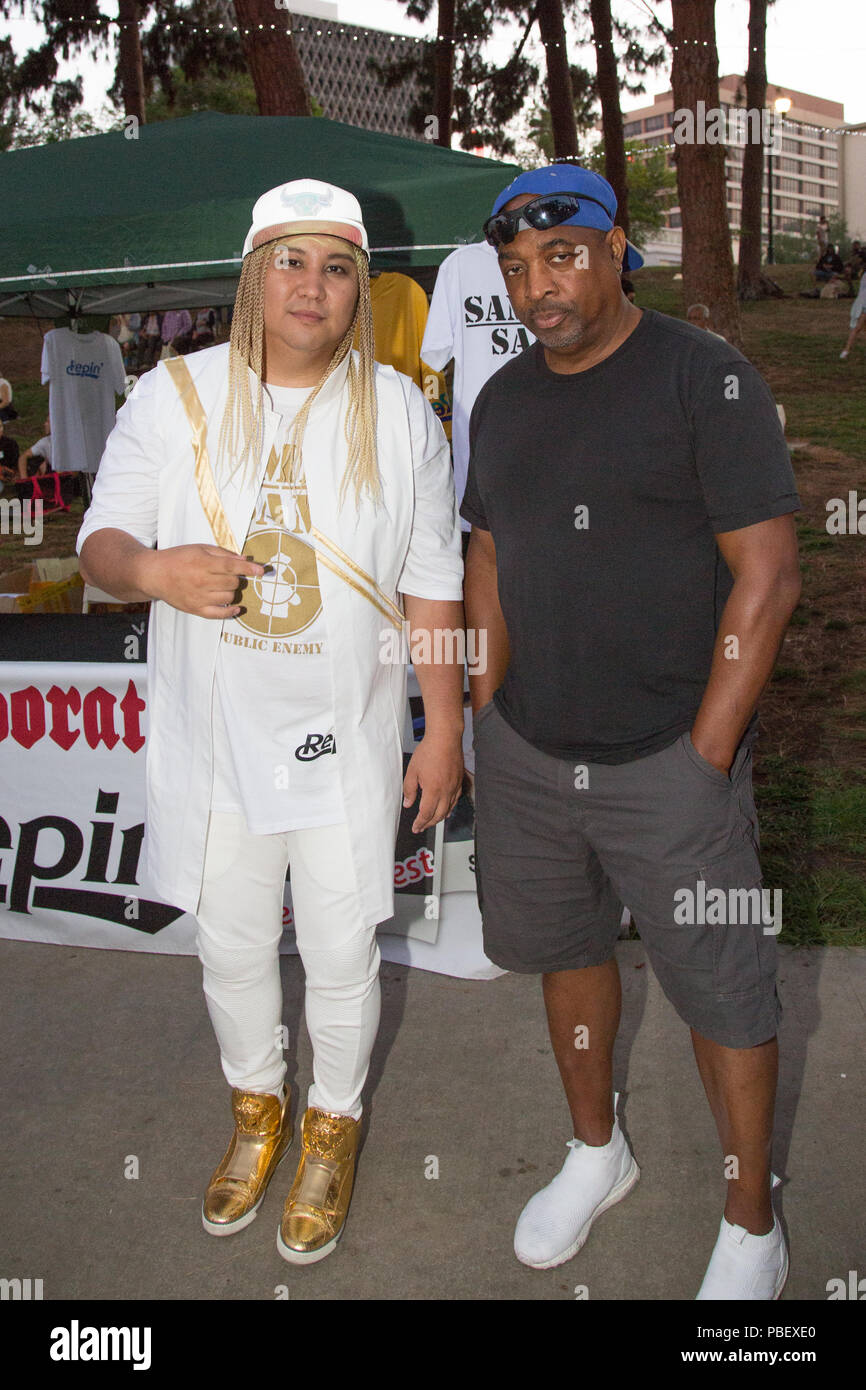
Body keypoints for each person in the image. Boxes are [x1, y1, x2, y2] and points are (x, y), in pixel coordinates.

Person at [77, 179, 465, 1266]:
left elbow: (434, 582)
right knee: (233, 946)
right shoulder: (175, 395)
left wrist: (443, 730)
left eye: (336, 266)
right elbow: (102, 541)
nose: (312, 286)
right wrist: (151, 567)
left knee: (344, 950)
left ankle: (331, 1127)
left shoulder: (397, 411)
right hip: (218, 744)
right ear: (253, 279)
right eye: (289, 262)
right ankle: (257, 1116)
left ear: (359, 288)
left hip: (346, 740)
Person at [463, 163, 801, 1300]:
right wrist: (480, 709)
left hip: (669, 756)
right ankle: (594, 1150)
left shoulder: (702, 378)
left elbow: (764, 576)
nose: (538, 286)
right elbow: (489, 555)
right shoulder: (502, 400)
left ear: (616, 252)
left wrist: (705, 754)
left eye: (561, 256)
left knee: (723, 991)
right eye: (516, 268)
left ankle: (749, 1218)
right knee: (564, 953)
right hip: (526, 748)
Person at [840, 272, 866, 359]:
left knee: (857, 328)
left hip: (862, 303)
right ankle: (846, 350)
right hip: (863, 304)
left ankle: (846, 351)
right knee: (857, 328)